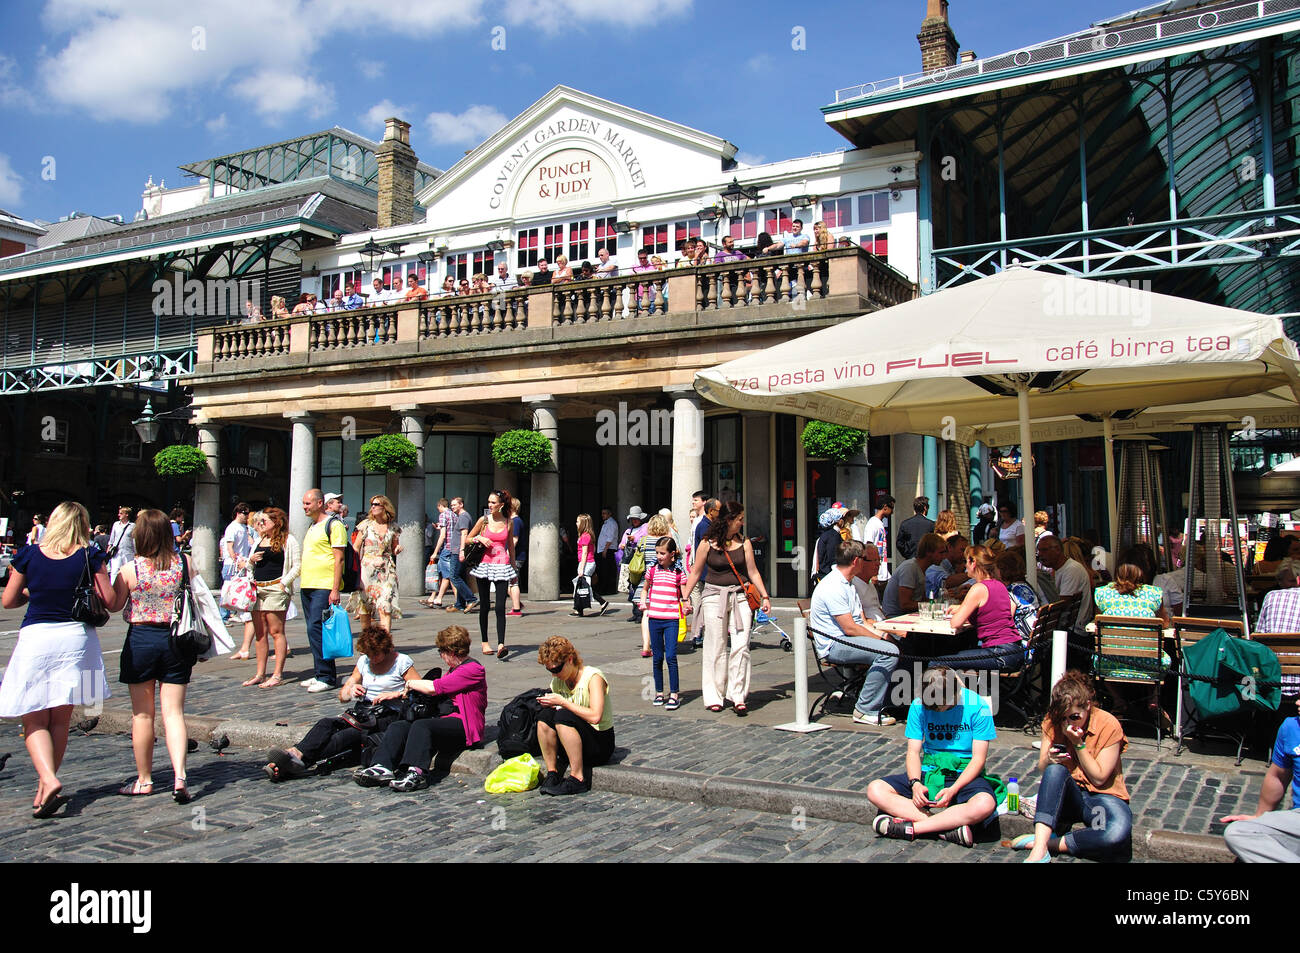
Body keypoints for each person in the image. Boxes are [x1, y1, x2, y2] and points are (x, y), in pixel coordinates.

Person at [1, 501, 121, 819]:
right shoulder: (90, 555)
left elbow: (8, 599)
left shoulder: (28, 554)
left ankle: (47, 780)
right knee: (60, 719)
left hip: (37, 636)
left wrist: (35, 594)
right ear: (82, 524)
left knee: (34, 718)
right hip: (76, 638)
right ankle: (46, 785)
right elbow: (109, 601)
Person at [111, 508, 206, 803]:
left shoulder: (131, 569)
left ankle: (145, 779)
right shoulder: (184, 563)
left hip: (141, 639)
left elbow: (114, 605)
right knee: (174, 712)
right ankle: (180, 776)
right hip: (176, 640)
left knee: (142, 714)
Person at [266, 623, 419, 781]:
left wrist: (396, 694)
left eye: (376, 655)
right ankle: (295, 755)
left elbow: (419, 690)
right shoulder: (363, 663)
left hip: (385, 716)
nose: (372, 659)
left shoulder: (401, 661)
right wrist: (352, 691)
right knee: (325, 723)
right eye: (369, 655)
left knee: (342, 738)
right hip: (362, 715)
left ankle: (290, 763)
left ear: (385, 649)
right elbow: (343, 695)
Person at [867, 666, 998, 847]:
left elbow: (978, 759)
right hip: (929, 770)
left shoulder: (979, 706)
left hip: (964, 774)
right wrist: (915, 783)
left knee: (985, 804)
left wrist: (954, 789)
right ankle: (947, 826)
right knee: (875, 789)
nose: (937, 710)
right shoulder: (918, 705)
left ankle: (915, 828)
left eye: (941, 705)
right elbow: (913, 752)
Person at [1009, 671, 1133, 862]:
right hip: (1069, 797)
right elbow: (1043, 767)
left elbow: (1099, 778)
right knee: (1054, 769)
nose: (1068, 724)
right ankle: (1040, 850)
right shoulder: (1052, 721)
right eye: (1063, 718)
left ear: (1088, 706)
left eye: (1075, 717)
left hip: (1101, 799)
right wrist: (1050, 759)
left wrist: (1078, 744)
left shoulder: (1108, 724)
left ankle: (1047, 843)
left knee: (1115, 834)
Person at [353, 624, 488, 791]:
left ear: (452, 652)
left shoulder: (473, 669)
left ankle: (416, 773)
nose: (441, 656)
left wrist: (410, 683)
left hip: (466, 725)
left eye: (442, 652)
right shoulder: (455, 669)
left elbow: (436, 687)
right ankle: (381, 766)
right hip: (446, 719)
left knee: (422, 726)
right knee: (399, 726)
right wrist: (397, 694)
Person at [682, 501, 771, 716]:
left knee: (741, 645)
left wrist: (765, 596)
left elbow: (753, 572)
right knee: (716, 645)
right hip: (714, 595)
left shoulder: (745, 542)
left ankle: (738, 694)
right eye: (740, 519)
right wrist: (685, 597)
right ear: (729, 520)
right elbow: (695, 572)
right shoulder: (707, 543)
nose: (743, 523)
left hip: (740, 596)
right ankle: (714, 695)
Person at [808, 540, 900, 726]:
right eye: (867, 559)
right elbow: (850, 628)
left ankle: (891, 699)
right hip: (835, 644)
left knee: (895, 644)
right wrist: (882, 640)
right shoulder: (833, 585)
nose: (875, 563)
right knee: (889, 652)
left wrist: (884, 635)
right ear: (857, 561)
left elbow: (862, 621)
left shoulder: (848, 584)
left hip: (847, 638)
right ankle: (865, 708)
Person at [1220, 695, 1300, 862]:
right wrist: (1261, 816)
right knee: (1238, 833)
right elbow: (1278, 775)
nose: (1297, 702)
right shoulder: (1291, 727)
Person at [535, 636, 614, 796]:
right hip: (572, 742)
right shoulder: (558, 682)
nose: (554, 675)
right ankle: (552, 773)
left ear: (570, 659)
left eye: (557, 669)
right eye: (550, 670)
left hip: (599, 744)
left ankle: (578, 778)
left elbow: (595, 716)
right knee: (545, 715)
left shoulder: (593, 677)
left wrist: (563, 702)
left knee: (564, 716)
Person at [934, 544, 1025, 672]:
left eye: (966, 561)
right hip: (1013, 651)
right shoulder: (999, 585)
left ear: (974, 562)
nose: (965, 566)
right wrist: (962, 609)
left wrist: (960, 611)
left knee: (936, 664)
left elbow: (956, 623)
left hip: (999, 653)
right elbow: (990, 612)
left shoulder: (978, 588)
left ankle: (953, 692)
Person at [243, 507, 298, 689]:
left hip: (275, 588)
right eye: (259, 522)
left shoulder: (288, 540)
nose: (260, 524)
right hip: (257, 588)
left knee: (276, 631)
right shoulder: (259, 539)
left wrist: (285, 583)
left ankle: (277, 674)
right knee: (260, 633)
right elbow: (250, 565)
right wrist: (251, 561)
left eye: (264, 521)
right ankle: (260, 673)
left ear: (277, 522)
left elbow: (297, 565)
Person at [299, 488, 348, 692]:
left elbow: (339, 558)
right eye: (303, 503)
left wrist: (335, 589)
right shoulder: (313, 526)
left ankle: (327, 677)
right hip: (308, 584)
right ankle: (320, 672)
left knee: (316, 627)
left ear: (320, 503)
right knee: (313, 631)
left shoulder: (333, 525)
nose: (304, 507)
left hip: (324, 585)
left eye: (308, 503)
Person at [464, 489, 516, 660]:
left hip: (502, 564)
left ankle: (501, 643)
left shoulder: (508, 521)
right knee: (485, 604)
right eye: (489, 502)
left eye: (493, 502)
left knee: (500, 606)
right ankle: (485, 641)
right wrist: (480, 538)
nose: (490, 505)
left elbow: (510, 546)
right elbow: (467, 539)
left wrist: (514, 568)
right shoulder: (483, 520)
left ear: (501, 505)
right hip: (484, 564)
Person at [639, 537, 690, 709]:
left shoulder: (677, 572)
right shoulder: (652, 570)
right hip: (654, 618)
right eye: (657, 553)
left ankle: (674, 693)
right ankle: (659, 692)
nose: (659, 556)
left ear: (672, 554)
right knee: (657, 657)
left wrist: (687, 604)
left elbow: (684, 594)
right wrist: (643, 602)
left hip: (671, 619)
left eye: (663, 553)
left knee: (670, 656)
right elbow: (645, 588)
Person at [346, 494, 402, 634]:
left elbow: (394, 548)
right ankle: (367, 641)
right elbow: (356, 547)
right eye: (372, 504)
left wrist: (397, 549)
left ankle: (385, 642)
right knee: (365, 607)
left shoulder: (393, 527)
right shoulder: (365, 525)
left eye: (376, 504)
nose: (373, 507)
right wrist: (355, 568)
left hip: (386, 569)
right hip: (367, 568)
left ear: (385, 507)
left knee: (386, 604)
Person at [632, 513, 673, 657]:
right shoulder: (666, 541)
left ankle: (645, 645)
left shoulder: (643, 541)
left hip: (646, 580)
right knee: (662, 614)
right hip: (663, 580)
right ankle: (658, 644)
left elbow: (638, 557)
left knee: (646, 614)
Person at [883, 532, 946, 617]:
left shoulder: (922, 570)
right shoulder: (910, 568)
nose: (944, 556)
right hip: (895, 617)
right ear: (928, 552)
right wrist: (933, 604)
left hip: (909, 615)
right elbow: (905, 605)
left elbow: (922, 600)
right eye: (941, 553)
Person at [222, 502, 256, 654]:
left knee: (238, 590)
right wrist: (235, 560)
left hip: (243, 563)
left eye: (247, 512)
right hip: (233, 564)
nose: (246, 515)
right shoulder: (232, 527)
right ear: (237, 513)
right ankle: (227, 614)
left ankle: (234, 612)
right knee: (230, 589)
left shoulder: (245, 528)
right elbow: (230, 547)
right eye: (244, 512)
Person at [1093, 562, 1171, 625]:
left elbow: (1098, 621)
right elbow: (1165, 623)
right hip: (1144, 644)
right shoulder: (1154, 593)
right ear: (1141, 571)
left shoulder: (1102, 593)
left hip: (1110, 644)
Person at [572, 513, 610, 617]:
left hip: (586, 563)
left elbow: (585, 553)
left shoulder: (585, 536)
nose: (576, 523)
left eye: (578, 521)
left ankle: (579, 609)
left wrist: (581, 567)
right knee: (584, 586)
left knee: (583, 586)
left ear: (583, 524)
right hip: (588, 562)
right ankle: (599, 603)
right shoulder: (588, 535)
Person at [996, 549, 1040, 639]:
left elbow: (1006, 622)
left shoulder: (1011, 592)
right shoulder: (1024, 586)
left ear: (1001, 571)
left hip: (1021, 646)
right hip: (1035, 640)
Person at [619, 506, 650, 621]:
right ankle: (635, 613)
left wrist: (634, 540)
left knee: (640, 586)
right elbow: (621, 543)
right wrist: (624, 544)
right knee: (631, 586)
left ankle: (640, 612)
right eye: (632, 519)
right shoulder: (628, 530)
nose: (634, 521)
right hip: (629, 561)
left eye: (636, 518)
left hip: (640, 560)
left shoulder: (645, 527)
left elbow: (645, 539)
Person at [422, 498, 454, 608]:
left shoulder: (443, 515)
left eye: (438, 508)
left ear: (440, 505)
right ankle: (434, 597)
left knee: (447, 575)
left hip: (446, 548)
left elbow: (443, 535)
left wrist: (435, 552)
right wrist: (439, 527)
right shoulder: (454, 515)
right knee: (442, 573)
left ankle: (440, 598)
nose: (438, 510)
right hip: (453, 548)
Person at [861, 495, 894, 582]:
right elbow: (868, 546)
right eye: (892, 508)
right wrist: (872, 575)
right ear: (885, 507)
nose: (892, 512)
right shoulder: (873, 523)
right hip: (876, 575)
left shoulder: (880, 524)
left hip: (883, 573)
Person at [896, 496, 934, 561]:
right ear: (925, 508)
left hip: (910, 559)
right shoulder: (931, 525)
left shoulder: (905, 524)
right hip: (925, 560)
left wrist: (907, 554)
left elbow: (899, 543)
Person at [106, 505, 136, 581]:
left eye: (121, 513)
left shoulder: (132, 526)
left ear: (127, 514)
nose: (119, 515)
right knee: (114, 571)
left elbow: (134, 540)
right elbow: (112, 538)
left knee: (129, 571)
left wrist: (136, 552)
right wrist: (109, 548)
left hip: (128, 552)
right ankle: (113, 587)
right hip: (117, 552)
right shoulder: (116, 524)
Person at [507, 497, 525, 617]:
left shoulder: (516, 521)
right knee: (509, 583)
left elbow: (514, 539)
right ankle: (517, 603)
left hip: (516, 557)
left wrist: (508, 554)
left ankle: (516, 608)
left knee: (512, 583)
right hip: (516, 556)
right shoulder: (514, 521)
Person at [596, 506, 619, 598]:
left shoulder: (611, 523)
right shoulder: (606, 523)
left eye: (605, 513)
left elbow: (610, 538)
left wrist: (605, 550)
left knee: (607, 570)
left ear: (610, 514)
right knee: (603, 570)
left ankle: (607, 589)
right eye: (602, 513)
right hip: (603, 549)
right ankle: (604, 588)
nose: (603, 515)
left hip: (608, 549)